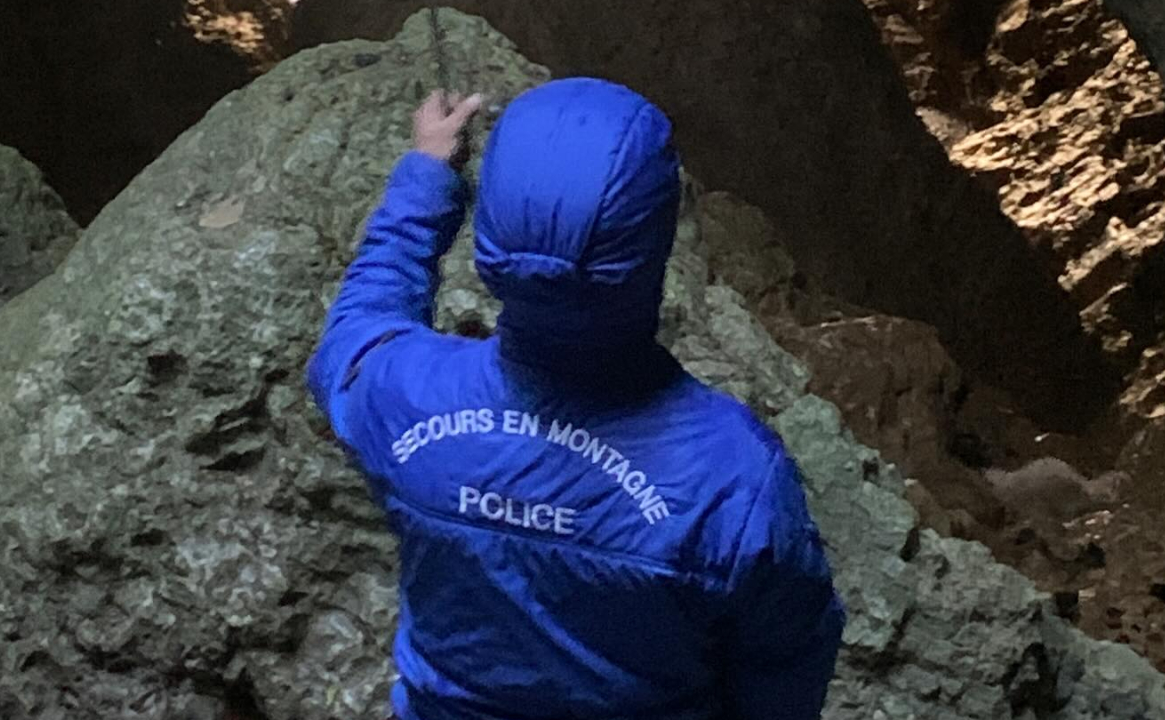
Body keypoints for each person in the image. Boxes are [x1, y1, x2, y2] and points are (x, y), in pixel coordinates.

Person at [306, 78, 846, 720]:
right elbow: (784, 668)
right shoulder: (733, 475)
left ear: (489, 245)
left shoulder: (401, 400)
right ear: (655, 239)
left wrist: (427, 175)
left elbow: (359, 324)